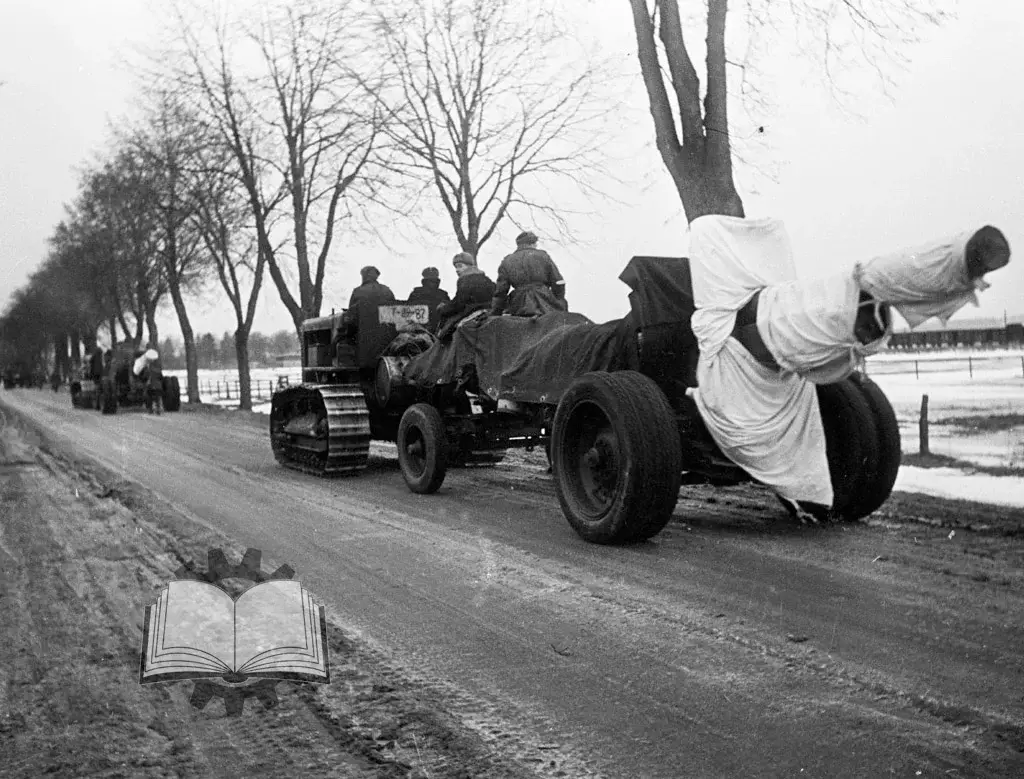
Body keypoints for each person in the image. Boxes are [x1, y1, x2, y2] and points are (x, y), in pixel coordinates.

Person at [490, 231, 567, 317]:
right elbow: (559, 281)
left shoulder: (507, 261)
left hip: (518, 305)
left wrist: (495, 313)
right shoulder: (543, 256)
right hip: (545, 301)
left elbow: (501, 292)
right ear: (532, 243)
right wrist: (558, 299)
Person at [436, 252, 497, 338]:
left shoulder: (465, 279)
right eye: (456, 267)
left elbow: (459, 303)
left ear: (469, 266)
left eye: (460, 266)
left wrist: (443, 309)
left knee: (446, 332)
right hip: (487, 311)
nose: (457, 270)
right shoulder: (486, 279)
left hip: (473, 312)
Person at [407, 267, 451, 333]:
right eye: (431, 280)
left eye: (434, 281)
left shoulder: (415, 293)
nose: (432, 283)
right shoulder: (443, 294)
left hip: (421, 329)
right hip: (436, 330)